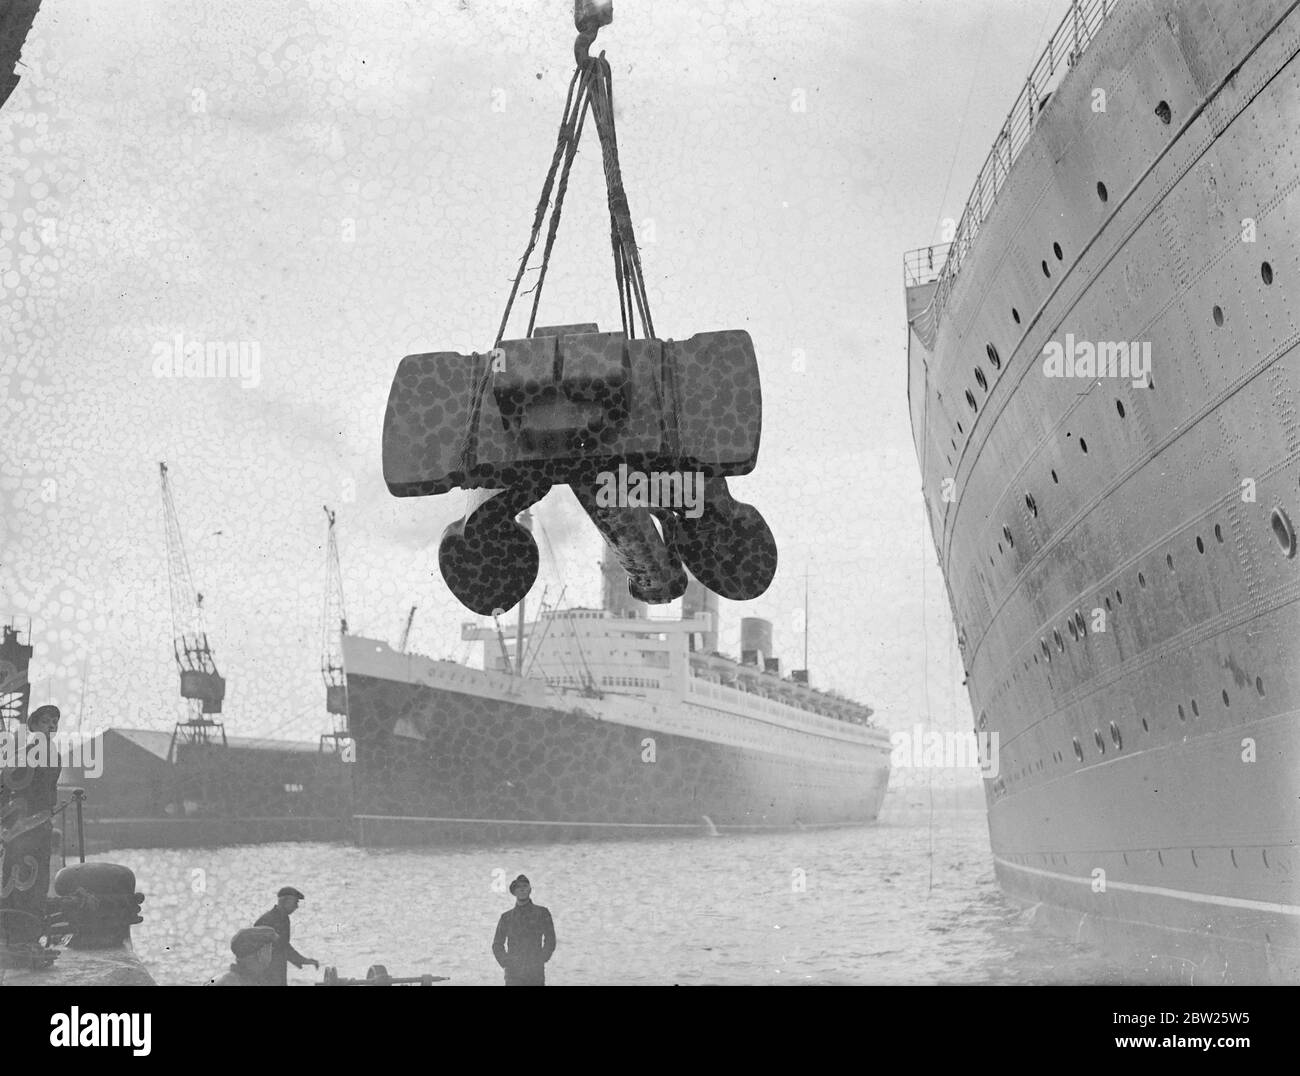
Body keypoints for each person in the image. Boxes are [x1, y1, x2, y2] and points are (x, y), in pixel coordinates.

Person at [491, 875, 556, 986]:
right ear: (514, 891)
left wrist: (542, 958)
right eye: (519, 887)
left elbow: (550, 940)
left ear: (530, 889)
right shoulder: (506, 917)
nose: (522, 889)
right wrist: (506, 962)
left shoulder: (542, 913)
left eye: (525, 886)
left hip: (535, 972)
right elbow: (497, 944)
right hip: (513, 974)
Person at [253, 886, 319, 985]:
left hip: (277, 971)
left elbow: (283, 946)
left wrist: (303, 960)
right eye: (295, 902)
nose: (297, 907)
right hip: (266, 974)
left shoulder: (284, 918)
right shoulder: (266, 920)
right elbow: (281, 947)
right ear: (286, 901)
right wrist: (302, 960)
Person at [207, 926, 280, 986]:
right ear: (260, 953)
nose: (272, 955)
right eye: (271, 949)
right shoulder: (247, 983)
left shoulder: (215, 980)